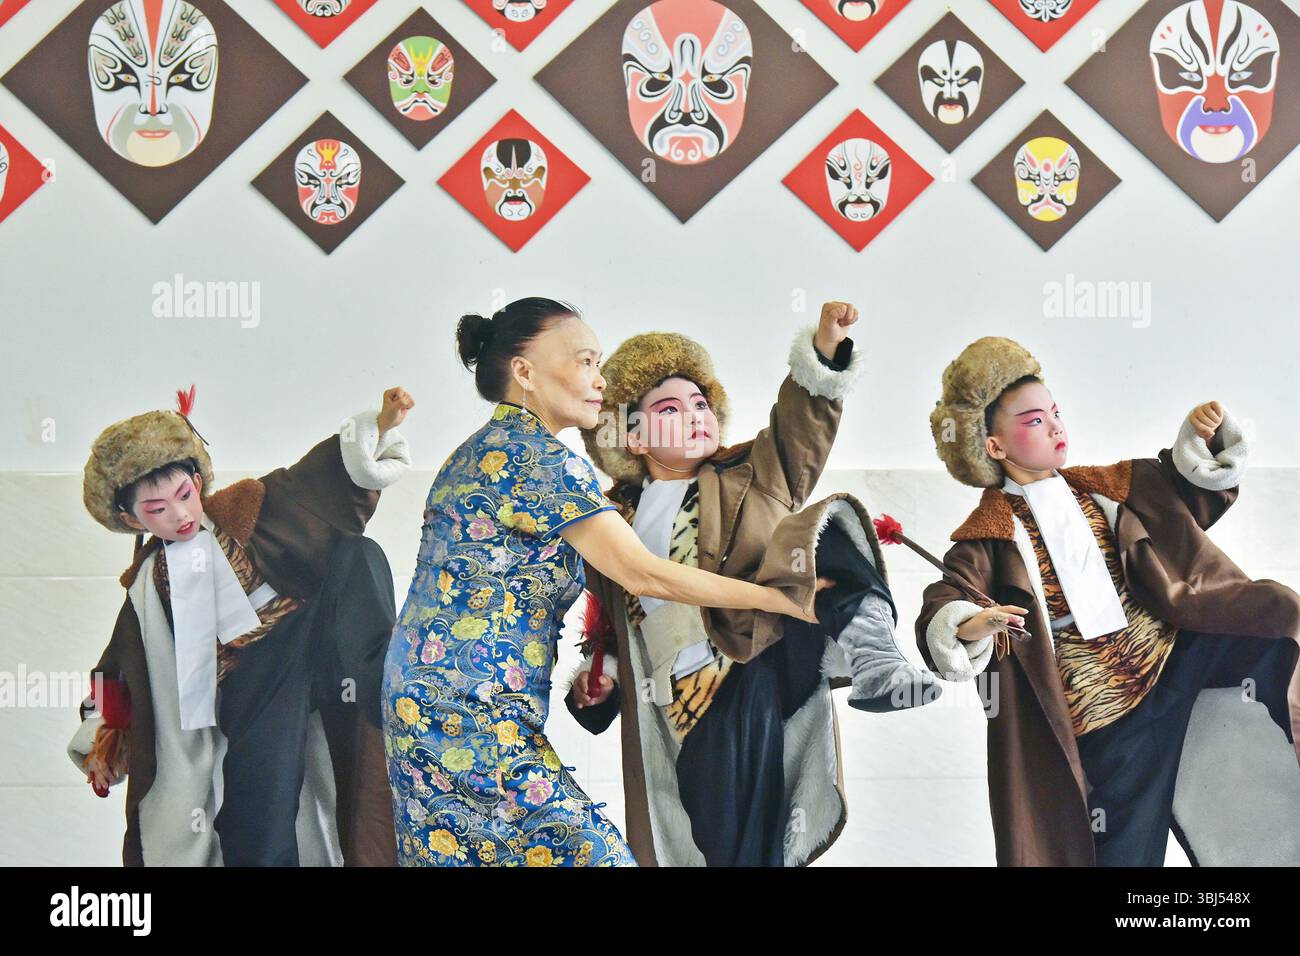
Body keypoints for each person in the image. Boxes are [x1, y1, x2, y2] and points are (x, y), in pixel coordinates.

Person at [382, 297, 812, 867]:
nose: (600, 380)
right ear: (526, 372)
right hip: (467, 711)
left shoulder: (481, 450)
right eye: (585, 361)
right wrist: (777, 598)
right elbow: (642, 572)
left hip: (428, 702)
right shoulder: (539, 458)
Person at [916, 336, 1300, 865]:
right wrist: (969, 622)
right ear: (994, 447)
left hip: (1170, 656)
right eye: (1033, 420)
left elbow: (1186, 494)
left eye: (1055, 412)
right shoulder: (986, 535)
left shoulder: (1109, 486)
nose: (1055, 426)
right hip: (1105, 717)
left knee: (1276, 617)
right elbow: (946, 599)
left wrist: (1201, 438)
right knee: (1124, 854)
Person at [71, 385, 414, 866]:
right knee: (263, 799)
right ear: (131, 518)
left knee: (358, 554)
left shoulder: (244, 507)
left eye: (184, 495)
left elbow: (314, 483)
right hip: (245, 689)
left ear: (198, 479)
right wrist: (104, 739)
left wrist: (378, 424)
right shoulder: (147, 586)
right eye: (157, 510)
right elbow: (119, 668)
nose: (180, 514)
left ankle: (386, 682)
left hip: (309, 645)